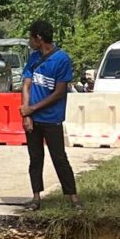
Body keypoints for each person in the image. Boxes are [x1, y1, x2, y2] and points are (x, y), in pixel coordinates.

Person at [20, 19, 80, 210]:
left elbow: (59, 92)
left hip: (52, 118)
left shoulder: (62, 59)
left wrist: (33, 108)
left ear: (38, 38)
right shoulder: (33, 58)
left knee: (59, 158)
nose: (29, 41)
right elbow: (26, 85)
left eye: (31, 38)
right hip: (33, 119)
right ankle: (36, 197)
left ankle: (73, 198)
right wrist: (26, 113)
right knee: (35, 158)